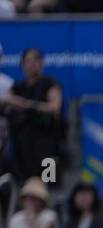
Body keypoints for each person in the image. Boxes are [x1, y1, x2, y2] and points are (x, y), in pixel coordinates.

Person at [6, 48, 64, 186]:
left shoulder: (51, 83)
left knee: (49, 185)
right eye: (28, 61)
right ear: (22, 65)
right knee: (23, 186)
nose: (32, 64)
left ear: (42, 63)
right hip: (22, 148)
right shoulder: (17, 87)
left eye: (36, 60)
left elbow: (54, 107)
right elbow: (8, 103)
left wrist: (27, 105)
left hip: (47, 146)